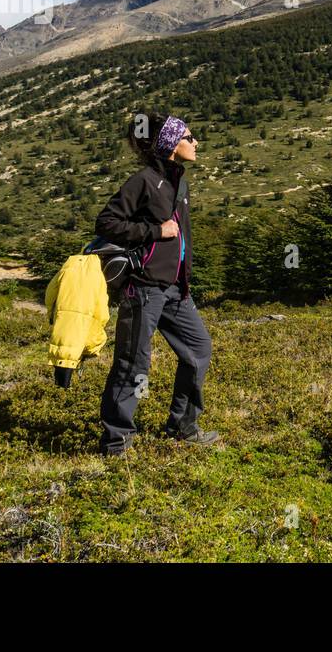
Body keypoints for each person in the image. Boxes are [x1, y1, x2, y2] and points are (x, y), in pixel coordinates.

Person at [95, 111, 219, 456]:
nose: (196, 143)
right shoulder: (144, 181)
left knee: (198, 351)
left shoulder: (181, 182)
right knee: (133, 363)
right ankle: (115, 443)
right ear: (171, 145)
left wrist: (185, 276)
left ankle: (183, 427)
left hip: (176, 289)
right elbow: (106, 221)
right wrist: (154, 231)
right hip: (144, 287)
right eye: (189, 138)